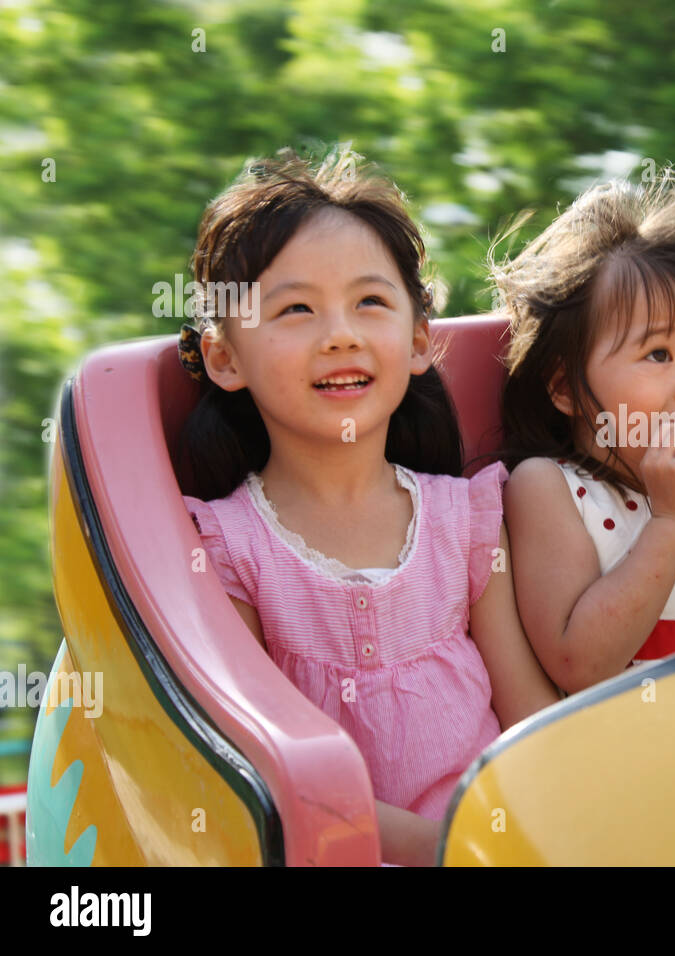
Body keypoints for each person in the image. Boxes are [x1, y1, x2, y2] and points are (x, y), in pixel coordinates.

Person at [177, 148, 558, 866]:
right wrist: (441, 848)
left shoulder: (466, 521)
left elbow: (528, 714)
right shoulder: (227, 548)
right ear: (225, 357)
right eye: (296, 309)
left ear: (418, 340)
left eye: (370, 302)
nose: (341, 333)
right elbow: (265, 764)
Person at [495, 170, 675, 692]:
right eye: (659, 353)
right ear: (566, 387)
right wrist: (671, 521)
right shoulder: (552, 489)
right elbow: (581, 666)